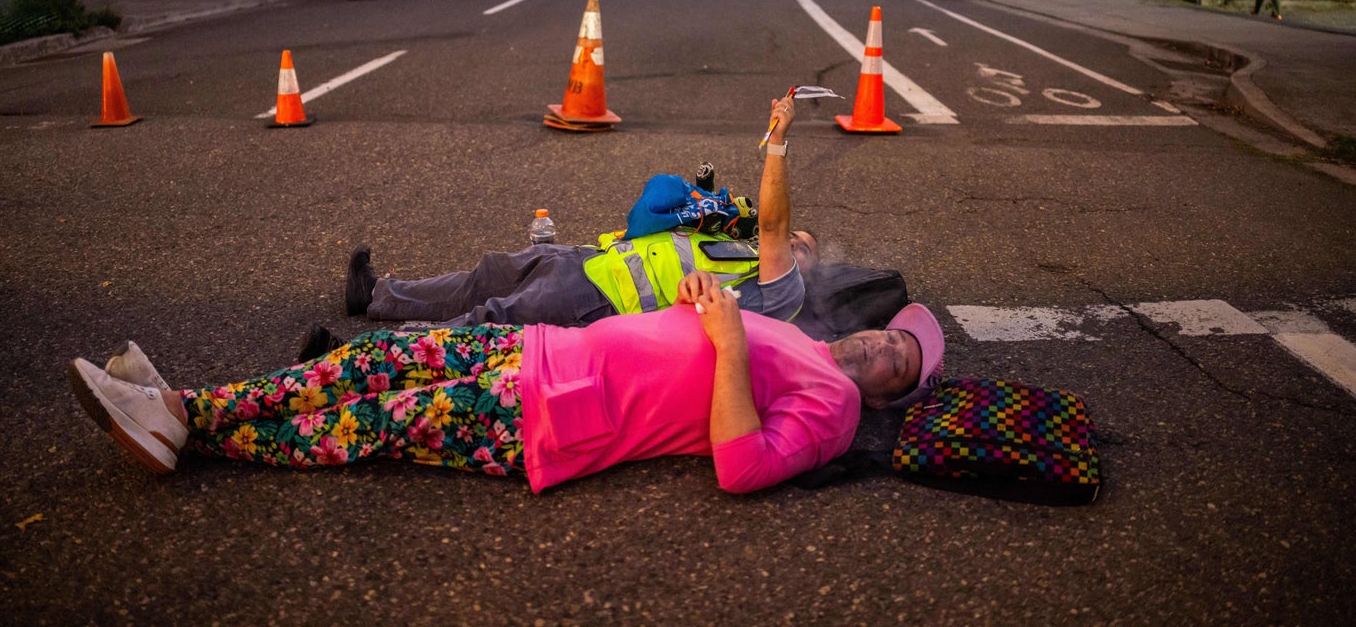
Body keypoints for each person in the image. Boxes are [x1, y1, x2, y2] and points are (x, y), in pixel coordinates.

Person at [66, 274, 946, 493]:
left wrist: (721, 340)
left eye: (897, 362)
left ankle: (182, 430)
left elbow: (742, 466)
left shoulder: (831, 410)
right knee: (364, 362)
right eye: (888, 335)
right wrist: (696, 305)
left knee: (376, 417)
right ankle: (187, 406)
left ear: (885, 397)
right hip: (542, 349)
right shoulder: (800, 334)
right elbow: (701, 334)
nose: (880, 345)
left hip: (553, 416)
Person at [344, 97, 814, 337]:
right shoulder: (739, 253)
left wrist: (778, 139)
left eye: (804, 247)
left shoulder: (782, 292)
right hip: (590, 259)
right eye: (797, 236)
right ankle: (377, 295)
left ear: (810, 271)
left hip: (603, 300)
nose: (792, 242)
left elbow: (773, 224)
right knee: (486, 276)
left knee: (489, 321)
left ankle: (356, 359)